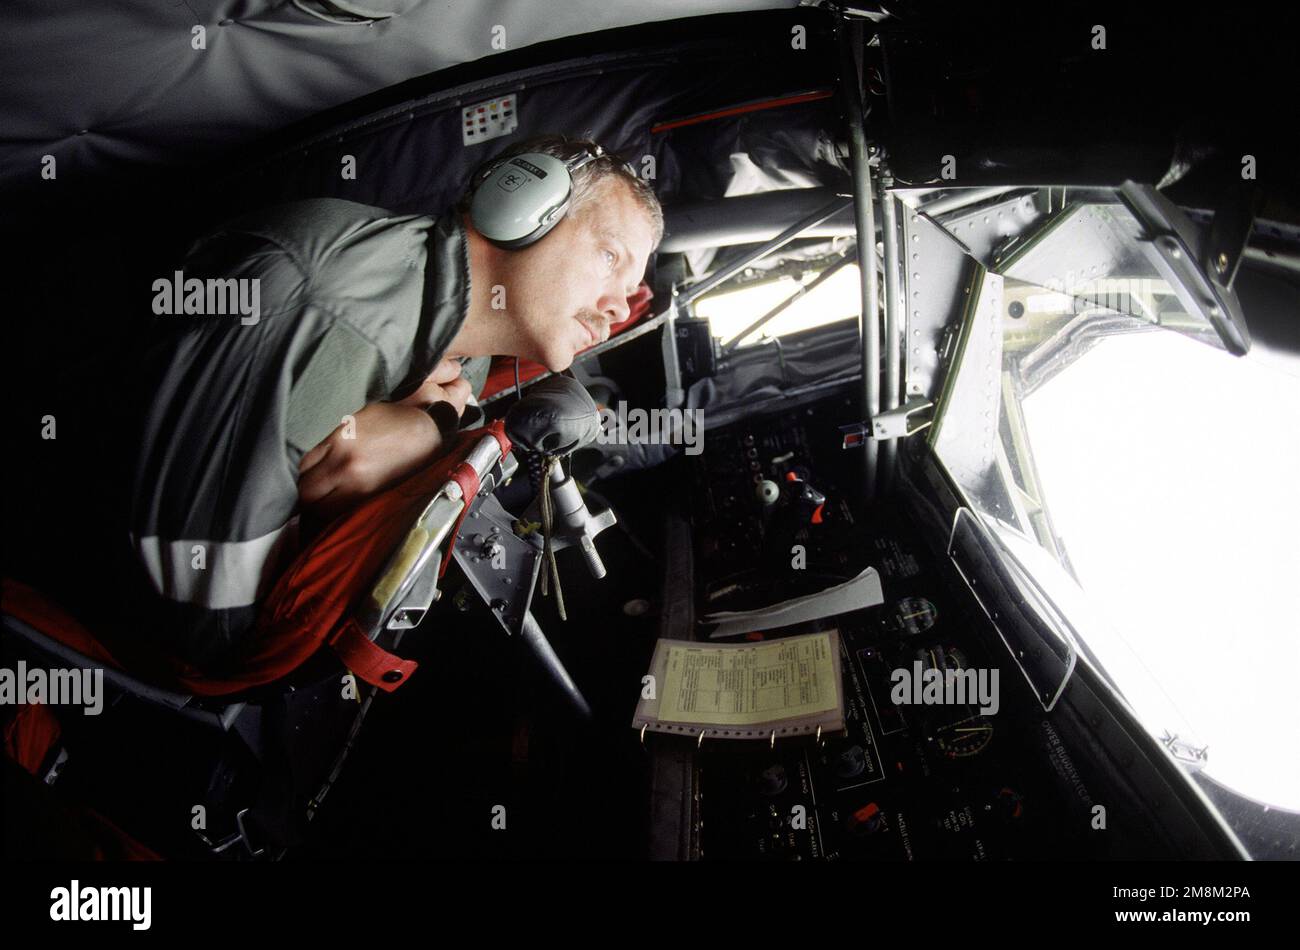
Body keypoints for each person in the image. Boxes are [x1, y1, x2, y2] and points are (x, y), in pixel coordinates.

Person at [117, 134, 662, 674]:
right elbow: (208, 634)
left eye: (631, 280)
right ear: (519, 207)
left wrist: (428, 438)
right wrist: (360, 493)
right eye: (609, 256)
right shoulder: (321, 312)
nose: (619, 307)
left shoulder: (466, 347)